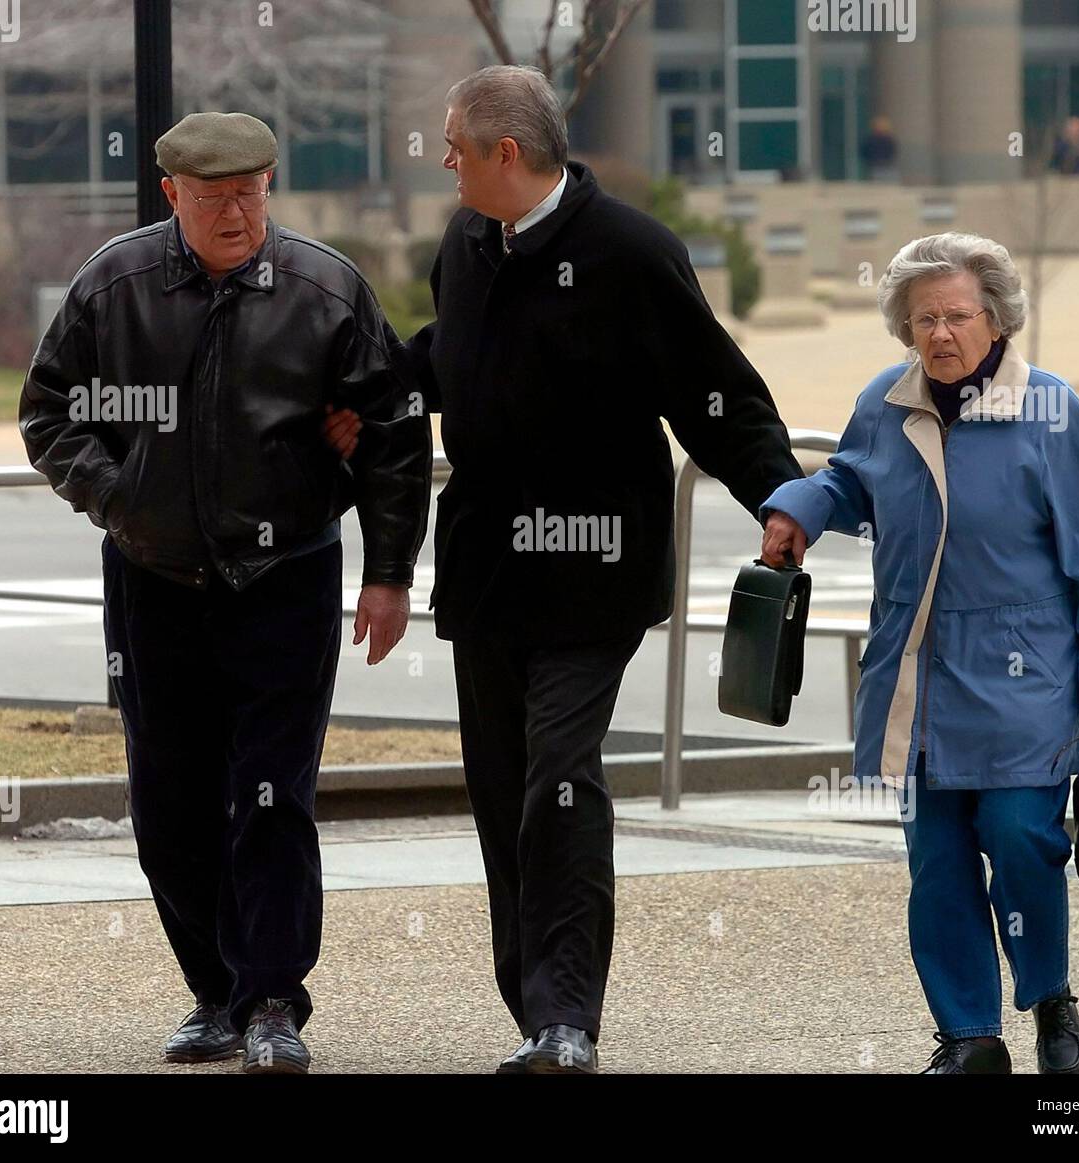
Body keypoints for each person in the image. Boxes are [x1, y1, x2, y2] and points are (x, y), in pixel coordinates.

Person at [325, 65, 804, 1074]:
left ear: (507, 153)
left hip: (595, 569)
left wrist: (778, 495)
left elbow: (714, 391)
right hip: (489, 571)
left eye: (454, 144)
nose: (442, 159)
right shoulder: (465, 241)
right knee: (502, 790)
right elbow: (450, 351)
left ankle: (567, 1018)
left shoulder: (630, 252)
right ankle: (534, 1005)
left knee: (560, 777)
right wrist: (372, 395)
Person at [20, 111, 431, 1074]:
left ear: (271, 186)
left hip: (284, 574)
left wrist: (388, 571)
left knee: (272, 794)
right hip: (155, 576)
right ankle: (213, 992)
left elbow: (393, 434)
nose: (237, 214)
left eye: (251, 193)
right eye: (214, 200)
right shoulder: (113, 286)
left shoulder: (327, 290)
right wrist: (118, 496)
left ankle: (273, 1000)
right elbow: (48, 409)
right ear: (172, 196)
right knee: (169, 795)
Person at [758, 231, 1079, 1074]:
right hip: (916, 672)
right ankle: (968, 1032)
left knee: (1021, 840)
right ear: (904, 325)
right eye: (924, 317)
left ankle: (1049, 998)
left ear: (997, 319)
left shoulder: (1051, 410)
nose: (940, 333)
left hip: (1026, 675)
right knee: (935, 861)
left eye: (959, 315)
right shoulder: (885, 403)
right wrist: (798, 507)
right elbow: (849, 481)